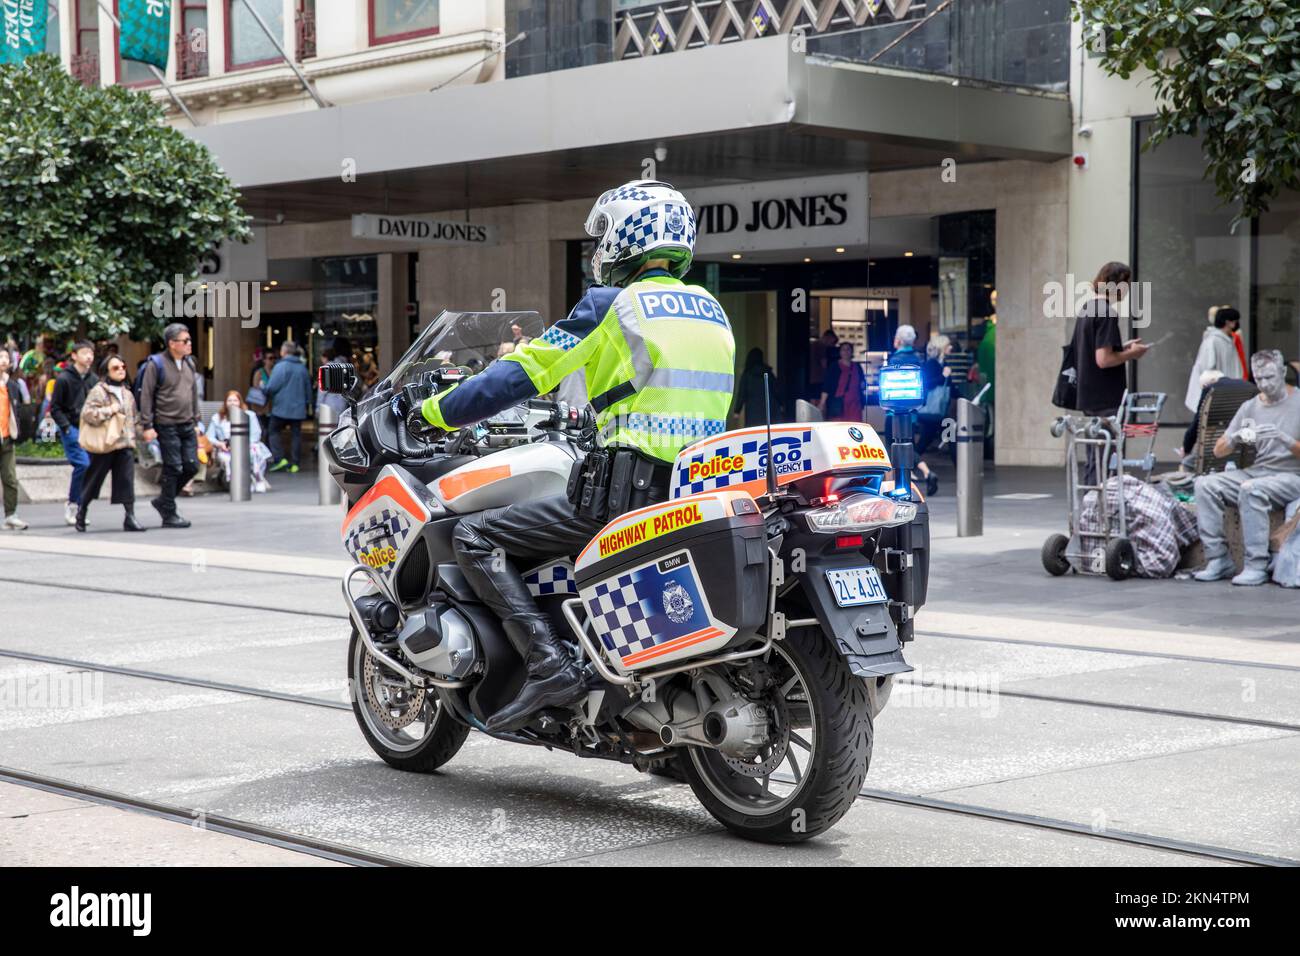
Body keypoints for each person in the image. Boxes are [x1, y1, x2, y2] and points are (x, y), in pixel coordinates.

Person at [414, 180, 734, 731]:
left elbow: (521, 373)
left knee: (474, 536)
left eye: (603, 235)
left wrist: (435, 411)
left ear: (627, 237)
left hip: (624, 497)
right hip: (691, 492)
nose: (595, 251)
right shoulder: (710, 309)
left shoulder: (613, 304)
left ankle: (548, 663)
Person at [1192, 350, 1300, 586]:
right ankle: (1218, 559)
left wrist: (1286, 440)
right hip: (1260, 471)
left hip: (1293, 476)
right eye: (1258, 379)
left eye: (1270, 377)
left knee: (1252, 489)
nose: (1264, 384)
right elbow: (1218, 450)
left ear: (1282, 373)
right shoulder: (1251, 406)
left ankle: (1256, 565)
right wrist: (1236, 438)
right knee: (1204, 484)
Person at [139, 323, 202, 528]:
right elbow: (146, 395)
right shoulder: (155, 364)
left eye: (189, 340)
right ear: (171, 343)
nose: (189, 344)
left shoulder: (189, 363)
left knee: (192, 465)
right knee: (173, 466)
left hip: (187, 423)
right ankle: (169, 512)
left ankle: (164, 502)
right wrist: (147, 425)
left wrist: (196, 420)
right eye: (185, 341)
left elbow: (192, 393)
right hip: (166, 424)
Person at [75, 355, 145, 533]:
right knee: (94, 480)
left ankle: (130, 516)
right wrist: (110, 410)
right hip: (105, 444)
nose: (121, 370)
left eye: (123, 366)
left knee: (127, 481)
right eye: (116, 368)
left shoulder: (127, 393)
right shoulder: (99, 391)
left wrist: (141, 433)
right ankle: (82, 510)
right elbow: (87, 413)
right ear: (106, 371)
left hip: (125, 444)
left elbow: (133, 419)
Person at [50, 341, 98, 526]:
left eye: (91, 353)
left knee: (90, 467)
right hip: (72, 427)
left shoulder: (93, 379)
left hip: (90, 429)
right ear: (74, 356)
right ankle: (73, 504)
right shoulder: (64, 379)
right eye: (85, 353)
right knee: (83, 464)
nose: (89, 357)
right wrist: (66, 427)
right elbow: (55, 407)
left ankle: (80, 506)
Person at [208, 391, 273, 493]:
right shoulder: (217, 418)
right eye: (229, 400)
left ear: (240, 402)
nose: (232, 403)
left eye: (235, 400)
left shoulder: (249, 415)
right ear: (225, 402)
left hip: (247, 445)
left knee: (253, 453)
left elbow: (255, 435)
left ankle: (257, 478)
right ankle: (243, 482)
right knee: (230, 458)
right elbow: (209, 437)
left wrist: (241, 445)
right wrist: (219, 444)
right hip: (226, 448)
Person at [265, 341, 314, 474]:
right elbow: (308, 388)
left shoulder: (280, 367)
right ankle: (295, 464)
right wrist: (310, 404)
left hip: (280, 408)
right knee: (296, 435)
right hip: (298, 409)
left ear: (284, 352)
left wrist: (265, 390)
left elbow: (271, 387)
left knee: (273, 431)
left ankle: (280, 458)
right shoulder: (302, 368)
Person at [1184, 306, 1242, 414]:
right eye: (1234, 320)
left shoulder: (1228, 340)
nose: (1236, 324)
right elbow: (1207, 370)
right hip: (1216, 395)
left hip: (1226, 393)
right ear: (1227, 322)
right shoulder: (1212, 341)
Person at [0, 350, 29, 531]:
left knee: (10, 478)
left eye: (5, 357)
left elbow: (18, 410)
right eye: (0, 357)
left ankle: (11, 515)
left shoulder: (12, 385)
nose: (3, 360)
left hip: (7, 438)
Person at [819, 342, 864, 422]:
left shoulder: (857, 366)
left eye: (848, 349)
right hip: (839, 404)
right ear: (840, 352)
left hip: (855, 404)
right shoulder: (834, 367)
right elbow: (827, 385)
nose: (846, 352)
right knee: (839, 426)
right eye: (843, 349)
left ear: (852, 352)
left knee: (855, 426)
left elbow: (862, 383)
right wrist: (822, 403)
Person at [733, 347, 777, 427]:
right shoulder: (768, 373)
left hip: (752, 412)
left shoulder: (747, 374)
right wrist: (781, 405)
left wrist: (737, 411)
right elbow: (776, 390)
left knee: (752, 435)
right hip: (767, 412)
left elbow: (741, 394)